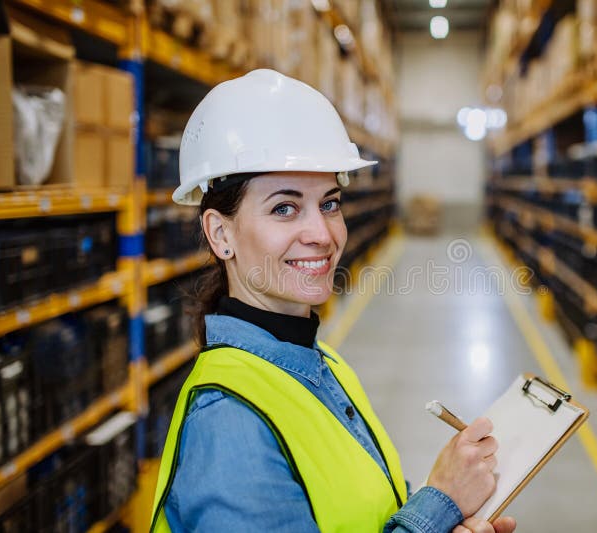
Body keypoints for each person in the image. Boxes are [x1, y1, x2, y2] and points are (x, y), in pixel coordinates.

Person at [149, 69, 517, 533]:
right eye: (285, 208)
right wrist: (439, 503)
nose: (323, 235)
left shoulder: (321, 365)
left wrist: (438, 521)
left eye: (329, 203)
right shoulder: (228, 420)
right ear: (220, 234)